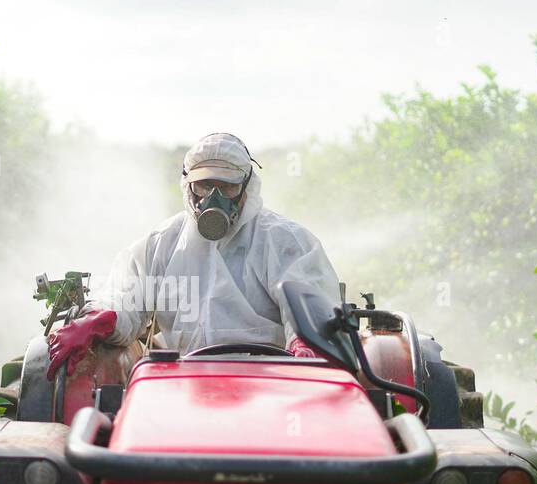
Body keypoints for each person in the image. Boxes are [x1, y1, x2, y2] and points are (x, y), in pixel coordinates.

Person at [47, 131, 342, 379]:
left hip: (269, 384)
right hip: (182, 383)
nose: (213, 197)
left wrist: (307, 346)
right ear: (188, 186)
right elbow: (126, 301)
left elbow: (312, 314)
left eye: (226, 186)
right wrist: (100, 319)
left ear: (246, 187)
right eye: (204, 185)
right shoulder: (161, 244)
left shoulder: (285, 243)